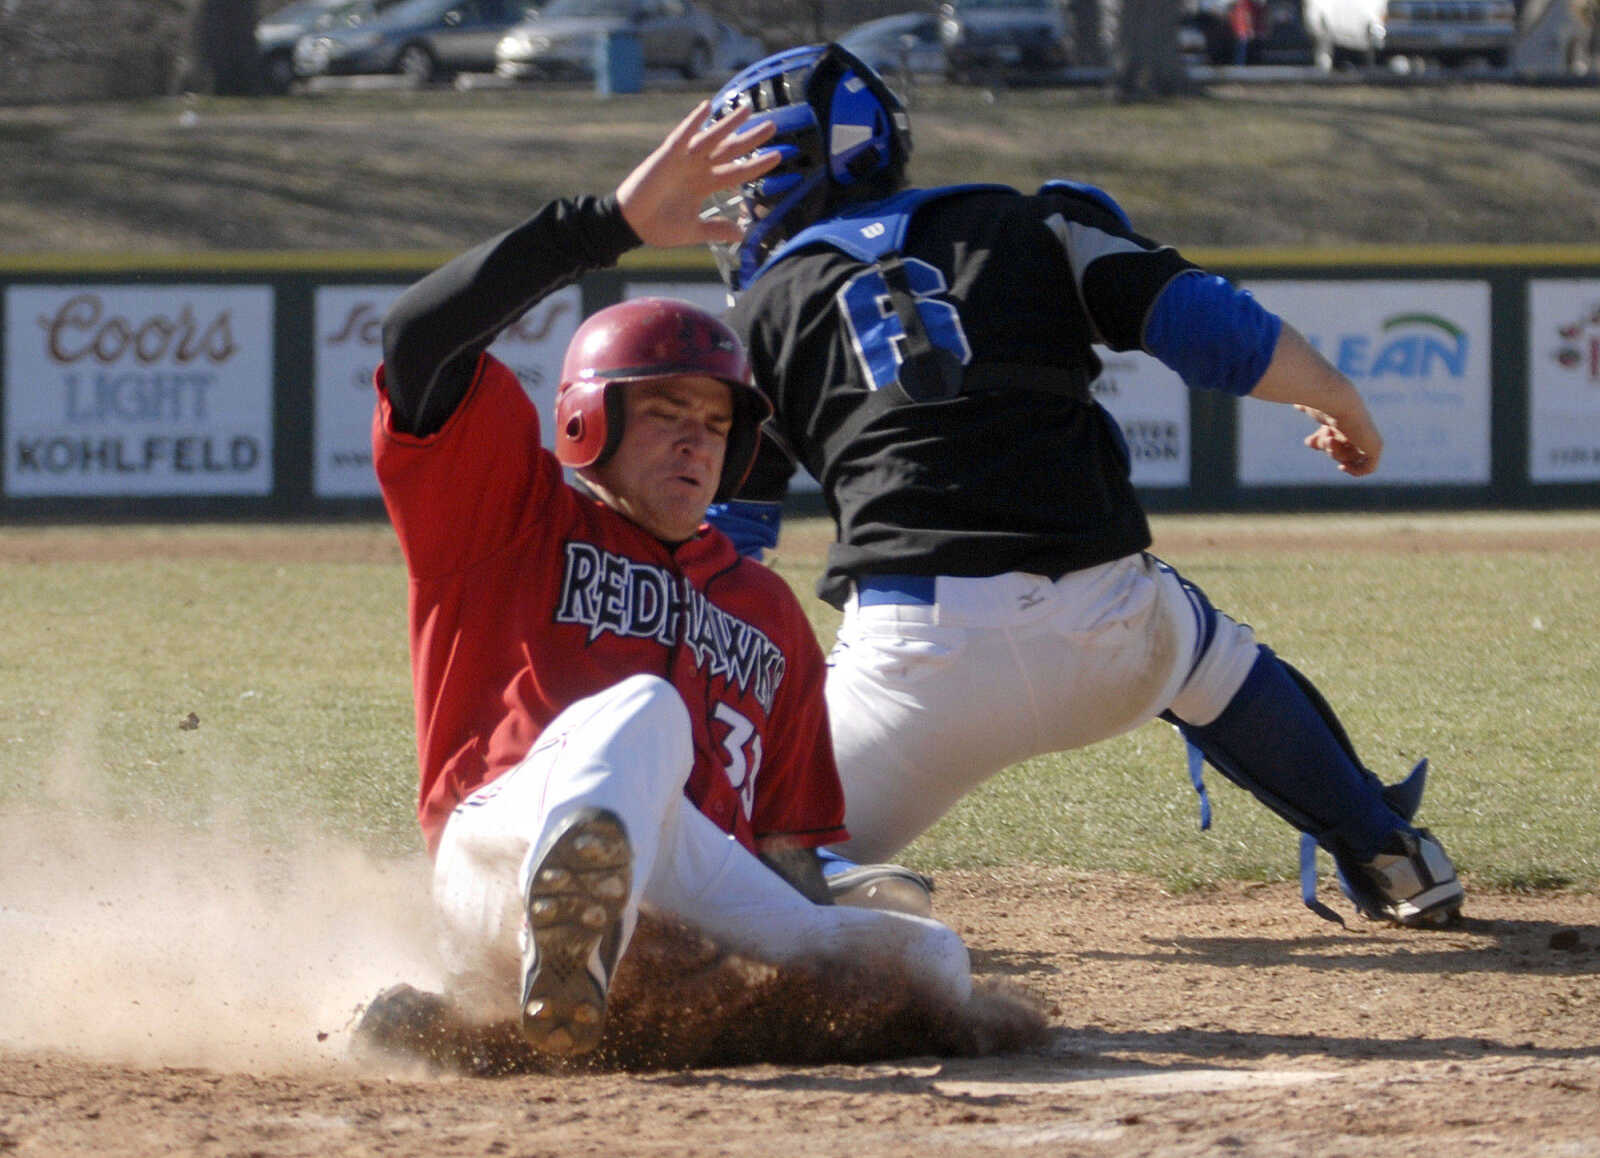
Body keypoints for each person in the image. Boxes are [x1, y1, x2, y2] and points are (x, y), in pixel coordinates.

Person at [700, 43, 1465, 929]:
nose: (745, 207)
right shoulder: (1034, 222)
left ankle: (835, 892)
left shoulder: (756, 318)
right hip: (1112, 629)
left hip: (915, 660)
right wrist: (1344, 407)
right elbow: (1219, 331)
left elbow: (724, 546)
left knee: (751, 867)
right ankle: (1391, 852)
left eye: (752, 180)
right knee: (1209, 653)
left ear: (802, 167)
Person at [362, 99, 971, 1060]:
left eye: (718, 425)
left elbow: (786, 854)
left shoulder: (768, 612)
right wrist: (605, 228)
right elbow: (415, 341)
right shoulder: (507, 518)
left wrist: (830, 906)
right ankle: (528, 971)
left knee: (934, 965)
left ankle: (573, 1015)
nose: (697, 440)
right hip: (502, 848)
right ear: (586, 422)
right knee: (644, 713)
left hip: (687, 886)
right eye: (666, 413)